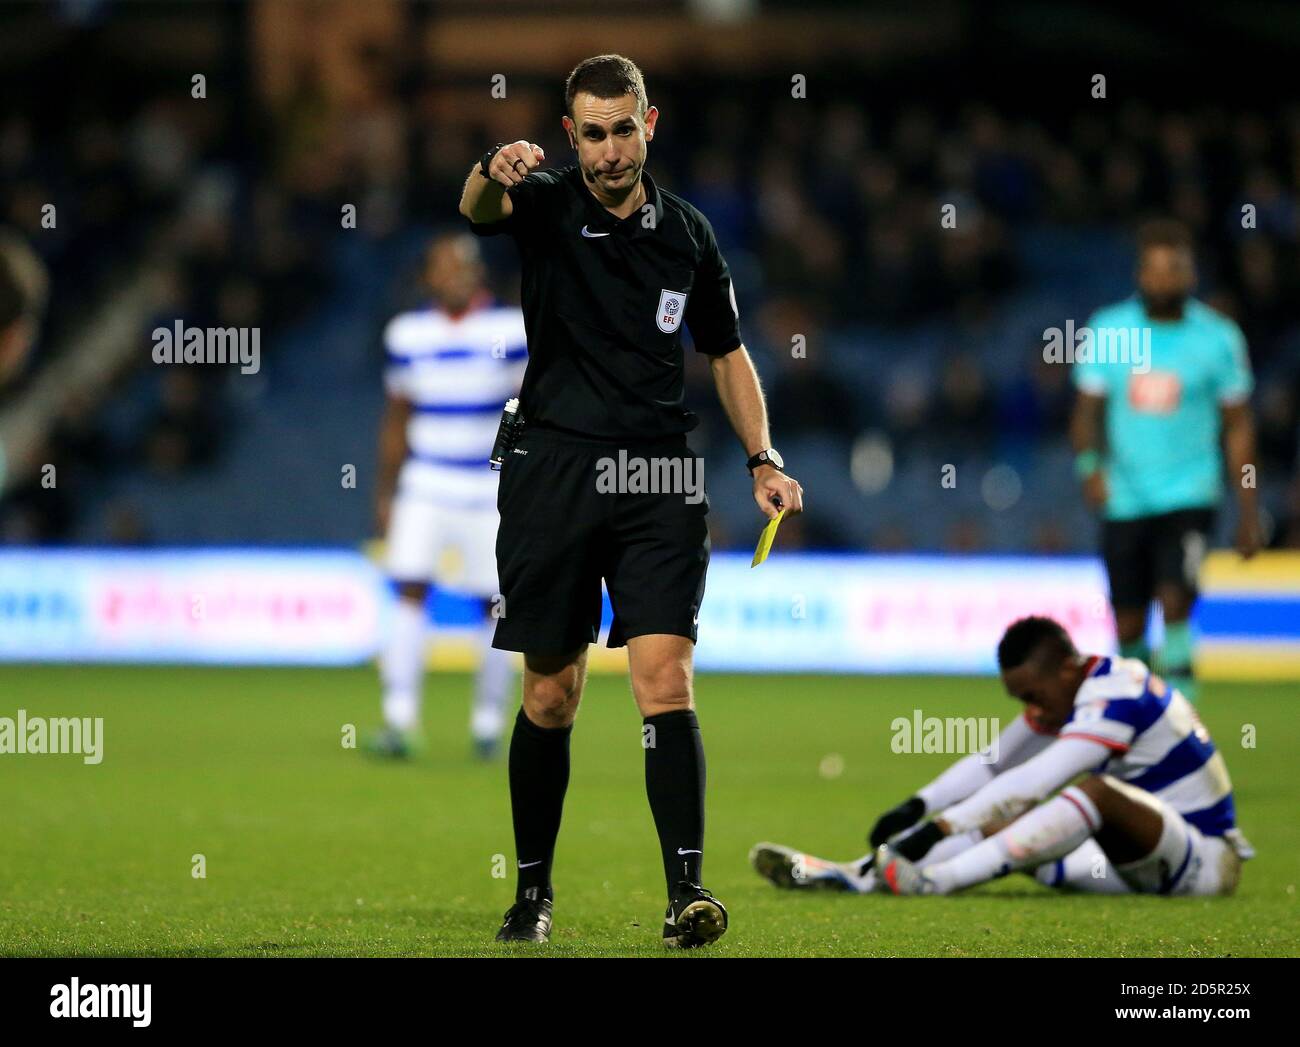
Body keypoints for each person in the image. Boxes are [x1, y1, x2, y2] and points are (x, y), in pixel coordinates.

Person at [459, 54, 803, 947]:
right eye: (594, 133)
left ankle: (686, 890)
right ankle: (532, 894)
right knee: (551, 695)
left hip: (658, 475)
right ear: (571, 136)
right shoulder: (543, 202)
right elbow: (476, 210)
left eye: (625, 128)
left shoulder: (688, 234)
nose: (611, 149)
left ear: (649, 125)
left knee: (666, 678)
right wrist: (489, 166)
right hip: (554, 469)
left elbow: (726, 352)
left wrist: (761, 456)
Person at [750, 616, 1253, 898]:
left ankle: (936, 883)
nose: (1031, 711)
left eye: (1033, 696)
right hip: (1129, 867)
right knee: (997, 815)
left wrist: (940, 828)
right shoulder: (1070, 694)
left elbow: (1036, 780)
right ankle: (854, 875)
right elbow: (994, 764)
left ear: (1064, 670)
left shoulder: (1118, 693)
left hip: (1204, 865)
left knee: (1087, 793)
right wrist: (918, 806)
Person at [1070, 219, 1259, 702]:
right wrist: (1089, 467)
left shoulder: (1217, 338)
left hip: (1191, 492)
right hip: (1127, 496)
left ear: (1190, 273)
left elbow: (1238, 425)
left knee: (1176, 603)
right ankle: (1138, 720)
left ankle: (1183, 728)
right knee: (1130, 622)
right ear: (1139, 274)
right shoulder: (1110, 330)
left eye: (1174, 268)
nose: (1164, 279)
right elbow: (1086, 412)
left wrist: (1249, 508)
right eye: (1154, 270)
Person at [370, 234, 526, 759]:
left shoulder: (510, 329)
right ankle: (399, 721)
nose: (456, 274)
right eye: (444, 266)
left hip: (487, 485)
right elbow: (397, 415)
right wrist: (385, 490)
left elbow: (526, 404)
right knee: (409, 592)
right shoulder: (408, 334)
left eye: (465, 264)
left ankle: (487, 724)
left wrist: (509, 468)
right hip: (425, 480)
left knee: (496, 604)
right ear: (426, 278)